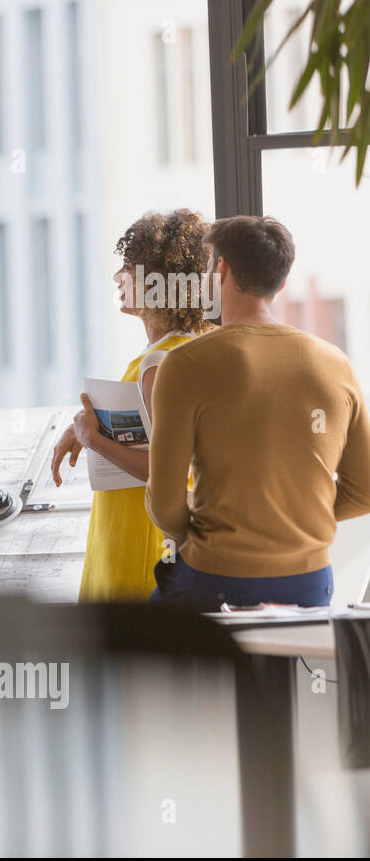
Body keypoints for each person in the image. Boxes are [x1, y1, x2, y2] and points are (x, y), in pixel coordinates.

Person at [145, 215, 370, 608]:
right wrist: (293, 522)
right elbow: (365, 490)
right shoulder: (336, 364)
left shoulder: (183, 364)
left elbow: (165, 506)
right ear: (281, 283)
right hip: (310, 585)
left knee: (137, 649)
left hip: (213, 578)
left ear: (221, 269)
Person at [52, 209, 213, 601]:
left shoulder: (162, 363)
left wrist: (93, 438)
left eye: (128, 267)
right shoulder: (175, 350)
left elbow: (166, 472)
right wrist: (85, 428)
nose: (116, 277)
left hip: (142, 537)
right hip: (132, 526)